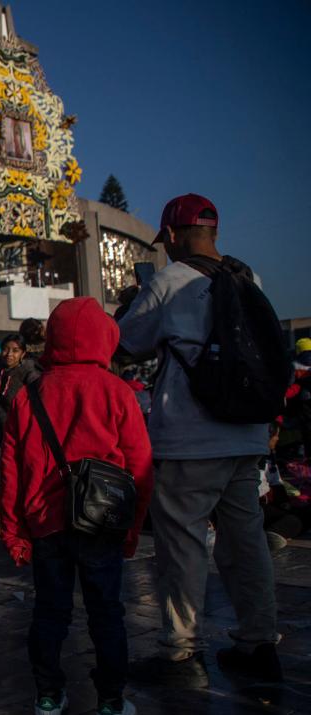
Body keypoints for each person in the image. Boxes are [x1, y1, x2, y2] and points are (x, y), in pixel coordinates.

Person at [118, 193, 281, 686]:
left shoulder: (168, 281)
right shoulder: (247, 277)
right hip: (246, 433)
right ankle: (258, 643)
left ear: (171, 234)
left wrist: (132, 304)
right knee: (245, 540)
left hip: (191, 436)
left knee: (184, 544)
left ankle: (181, 653)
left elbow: (126, 344)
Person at [0, 297, 154, 715]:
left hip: (46, 521)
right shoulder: (117, 391)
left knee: (50, 612)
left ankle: (48, 696)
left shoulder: (29, 393)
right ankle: (110, 703)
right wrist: (132, 530)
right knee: (106, 612)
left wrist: (13, 532)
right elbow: (140, 466)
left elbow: (11, 469)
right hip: (102, 522)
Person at [0, 333, 36, 462]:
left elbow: (39, 400)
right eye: (5, 349)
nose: (9, 354)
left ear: (23, 353)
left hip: (26, 432)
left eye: (15, 350)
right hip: (4, 430)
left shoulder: (30, 373)